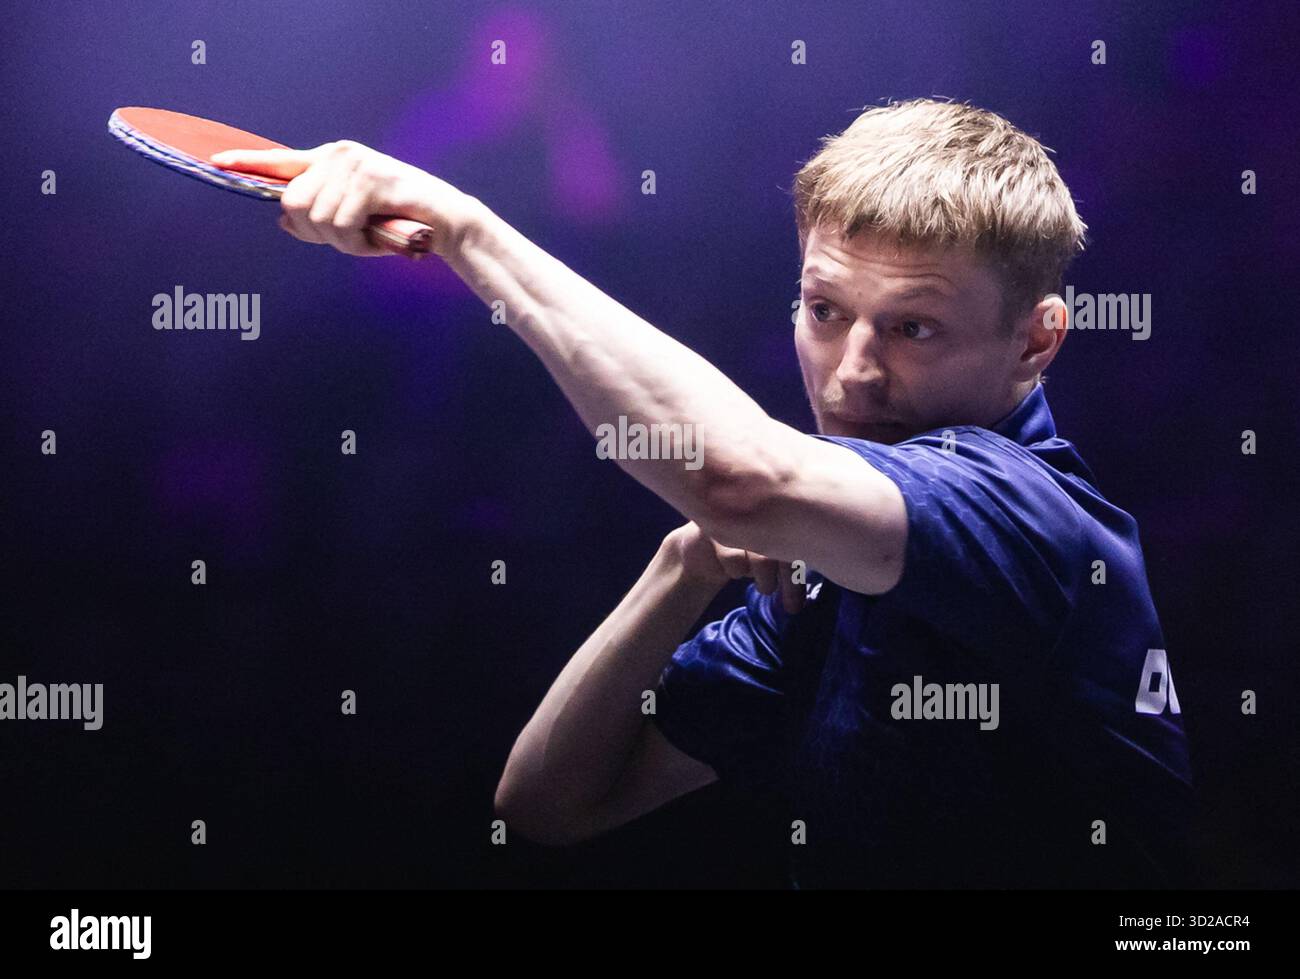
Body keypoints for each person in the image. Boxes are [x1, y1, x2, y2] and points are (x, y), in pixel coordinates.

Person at [213, 98, 1194, 888]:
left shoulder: (1025, 509)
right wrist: (682, 563)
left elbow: (738, 474)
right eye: (824, 309)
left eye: (913, 329)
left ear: (1036, 339)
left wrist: (464, 227)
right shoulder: (818, 588)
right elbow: (548, 805)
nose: (851, 372)